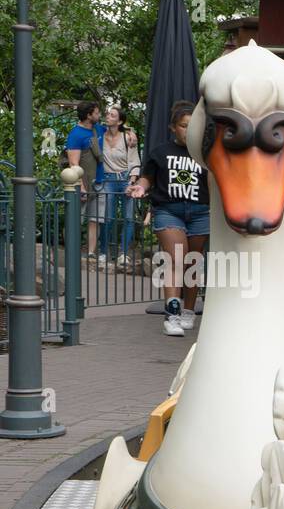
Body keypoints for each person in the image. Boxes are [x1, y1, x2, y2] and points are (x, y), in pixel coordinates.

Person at [128, 101, 209, 337]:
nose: (189, 130)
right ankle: (171, 315)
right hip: (169, 210)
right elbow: (146, 179)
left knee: (193, 262)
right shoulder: (160, 152)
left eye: (193, 126)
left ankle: (189, 311)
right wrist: (139, 188)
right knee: (176, 260)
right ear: (173, 127)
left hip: (200, 212)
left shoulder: (205, 153)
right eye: (184, 126)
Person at [98, 106, 141, 268]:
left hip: (126, 178)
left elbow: (135, 161)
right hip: (108, 179)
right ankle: (103, 252)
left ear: (120, 121)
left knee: (128, 217)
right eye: (107, 113)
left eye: (112, 115)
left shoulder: (128, 137)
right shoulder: (100, 134)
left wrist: (132, 181)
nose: (108, 116)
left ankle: (123, 253)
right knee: (107, 218)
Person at [64, 100, 104, 264]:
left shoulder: (98, 129)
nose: (99, 115)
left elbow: (117, 131)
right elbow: (74, 163)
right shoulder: (76, 134)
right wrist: (80, 186)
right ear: (89, 115)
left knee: (95, 219)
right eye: (96, 113)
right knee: (76, 219)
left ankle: (90, 253)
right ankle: (70, 253)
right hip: (83, 184)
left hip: (99, 182)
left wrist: (129, 133)